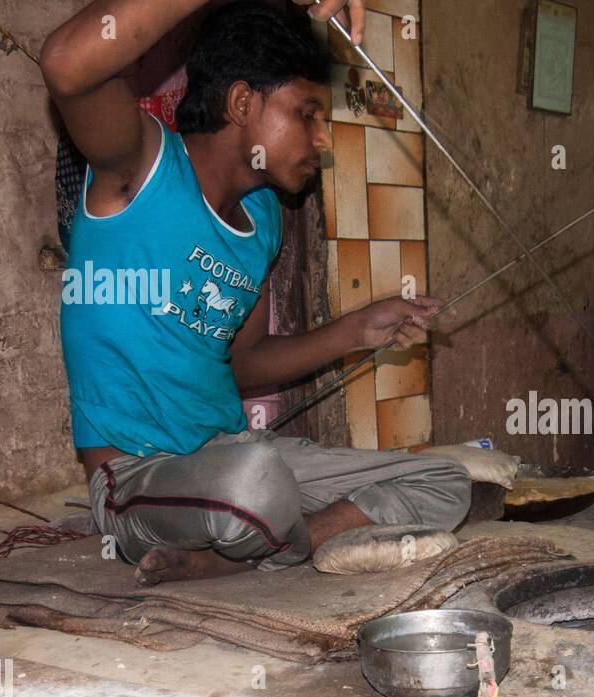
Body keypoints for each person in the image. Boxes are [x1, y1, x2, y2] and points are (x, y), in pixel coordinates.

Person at [41, 0, 471, 586]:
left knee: (443, 480)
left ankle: (243, 553)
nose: (321, 140)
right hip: (137, 477)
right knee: (255, 478)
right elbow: (67, 65)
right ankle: (261, 536)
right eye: (307, 114)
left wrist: (356, 330)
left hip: (231, 455)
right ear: (242, 103)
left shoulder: (263, 219)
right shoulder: (140, 166)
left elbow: (244, 365)